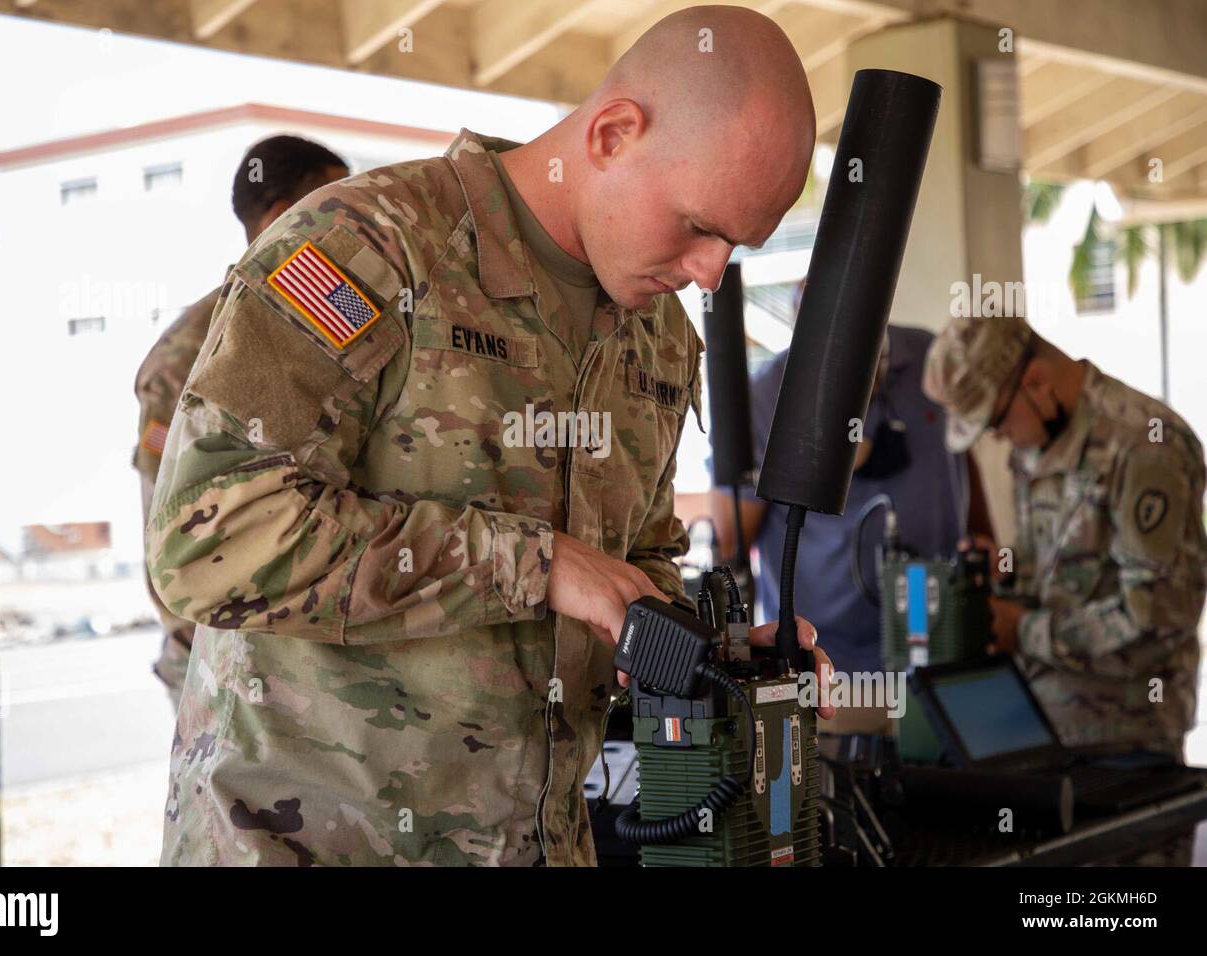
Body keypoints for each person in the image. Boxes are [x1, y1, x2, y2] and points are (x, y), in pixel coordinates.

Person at [149, 5, 832, 866]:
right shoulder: (374, 247)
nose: (709, 274)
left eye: (736, 246)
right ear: (614, 133)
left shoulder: (659, 339)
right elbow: (202, 538)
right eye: (699, 225)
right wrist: (535, 564)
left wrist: (714, 654)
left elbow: (630, 572)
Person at [923, 312, 1206, 761]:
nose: (999, 439)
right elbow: (1062, 566)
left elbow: (1158, 616)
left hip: (1128, 740)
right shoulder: (1039, 437)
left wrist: (1026, 632)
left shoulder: (1145, 446)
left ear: (1036, 382)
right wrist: (1006, 569)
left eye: (996, 423)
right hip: (1041, 723)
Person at [134, 136, 349, 708]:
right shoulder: (190, 349)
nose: (353, 221)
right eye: (333, 203)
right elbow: (167, 519)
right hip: (225, 668)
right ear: (281, 217)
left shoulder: (342, 310)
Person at [712, 318, 994, 733]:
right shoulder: (767, 394)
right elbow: (731, 540)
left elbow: (961, 455)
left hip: (940, 644)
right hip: (830, 667)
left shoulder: (930, 361)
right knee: (840, 786)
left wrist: (987, 542)